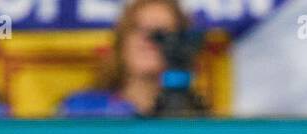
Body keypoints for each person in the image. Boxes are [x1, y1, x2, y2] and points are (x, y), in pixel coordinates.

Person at [58, 0, 202, 118]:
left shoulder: (195, 117)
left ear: (183, 44)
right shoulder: (82, 109)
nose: (148, 40)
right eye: (138, 29)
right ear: (121, 43)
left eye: (160, 33)